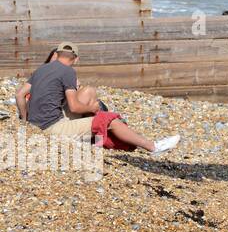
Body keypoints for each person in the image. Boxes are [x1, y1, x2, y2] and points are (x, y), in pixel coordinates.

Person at [18, 43, 178, 154]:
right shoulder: (68, 72)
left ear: (56, 54)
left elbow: (19, 95)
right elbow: (73, 107)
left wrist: (26, 121)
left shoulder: (41, 69)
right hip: (52, 128)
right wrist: (92, 109)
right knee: (108, 119)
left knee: (90, 98)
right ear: (76, 58)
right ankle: (153, 147)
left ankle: (95, 139)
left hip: (38, 123)